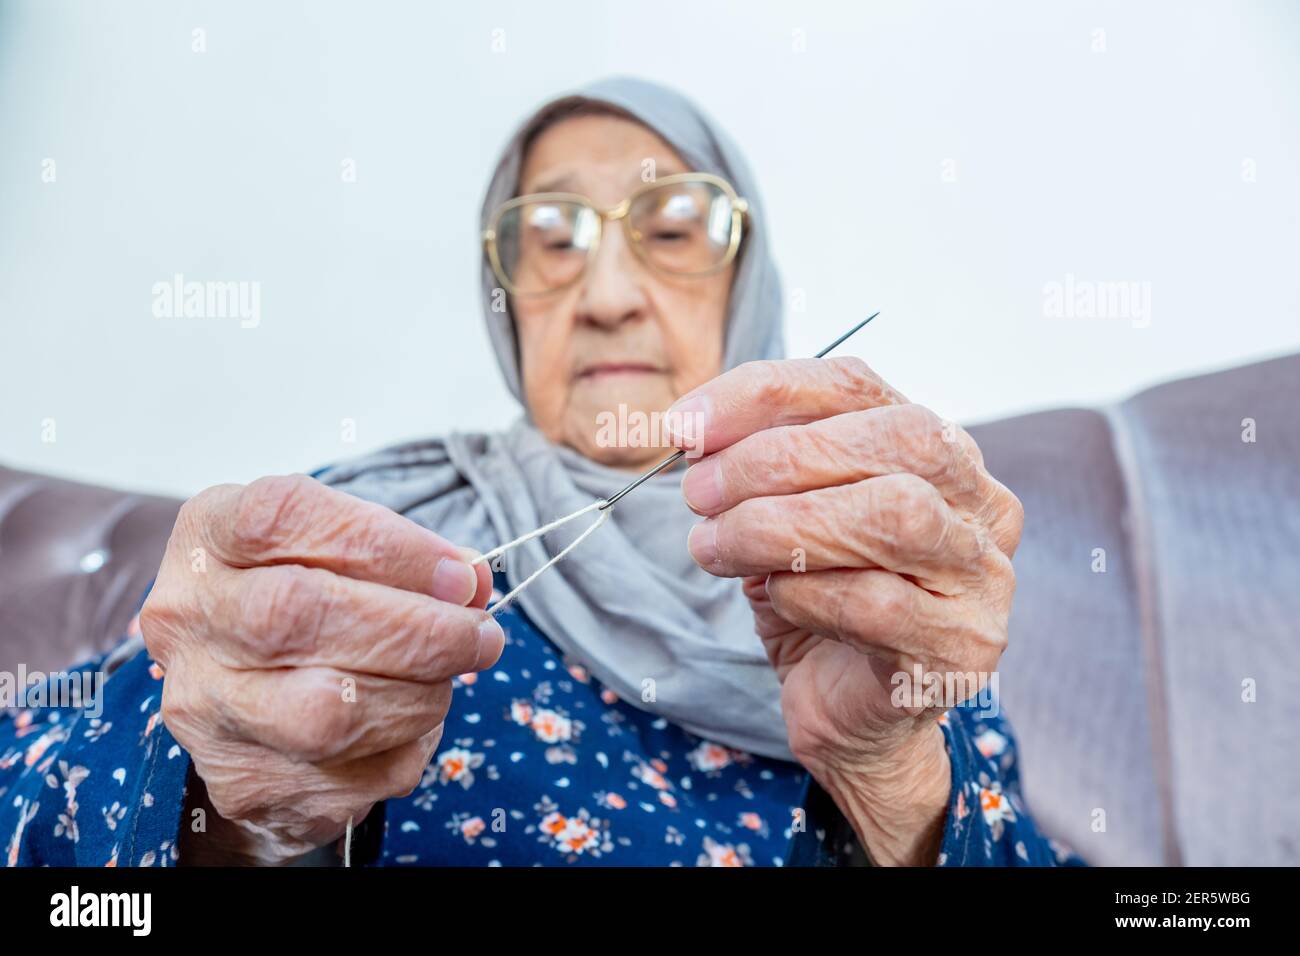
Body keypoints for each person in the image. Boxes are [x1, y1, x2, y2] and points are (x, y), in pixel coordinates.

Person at [1, 77, 1081, 867]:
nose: (606, 290)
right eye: (552, 237)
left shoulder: (878, 573)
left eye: (670, 226)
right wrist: (230, 817)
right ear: (503, 299)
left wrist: (892, 780)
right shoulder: (364, 526)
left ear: (747, 284)